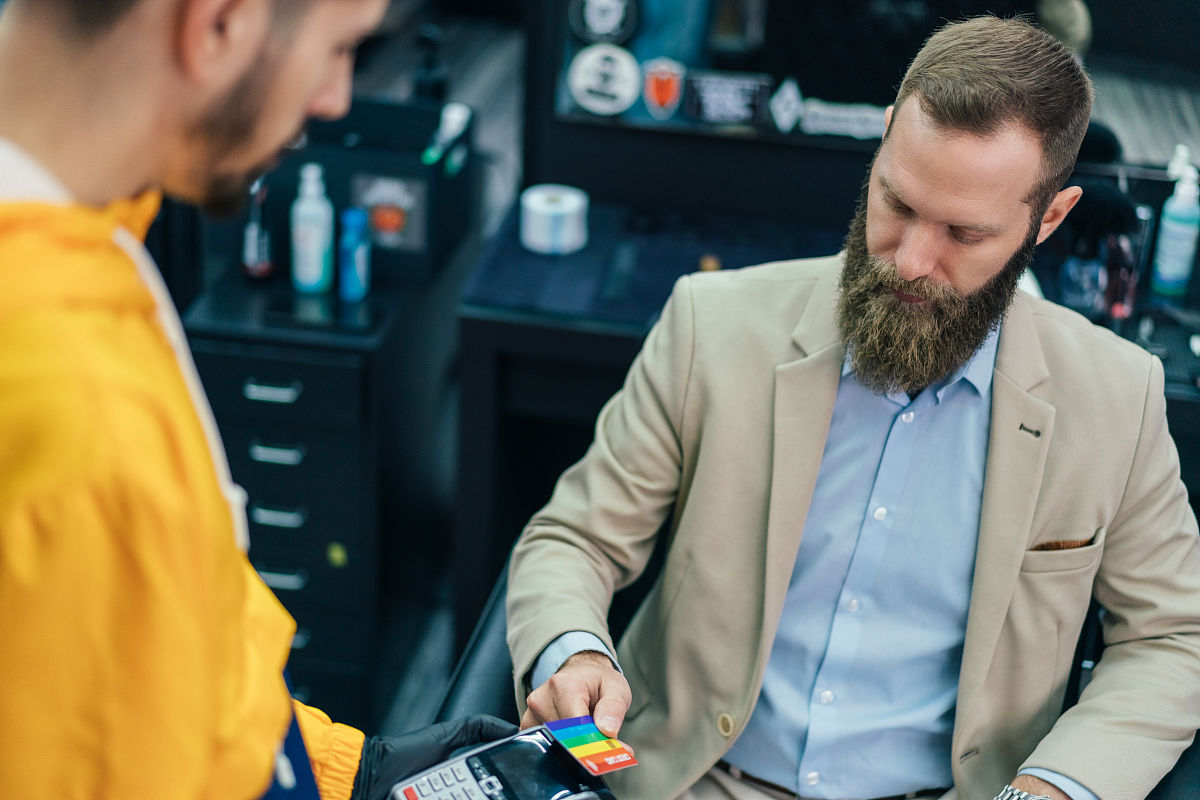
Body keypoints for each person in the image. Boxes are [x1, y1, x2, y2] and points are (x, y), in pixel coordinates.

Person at [506, 15, 1200, 800]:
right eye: (896, 202)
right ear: (881, 146)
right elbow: (576, 536)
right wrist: (574, 652)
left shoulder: (1115, 397)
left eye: (963, 234)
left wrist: (1057, 786)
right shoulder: (713, 325)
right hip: (697, 781)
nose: (909, 260)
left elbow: (1175, 637)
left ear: (1049, 218)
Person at [0, 1, 512, 798]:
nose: (337, 99)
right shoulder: (83, 415)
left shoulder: (85, 236)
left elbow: (170, 671)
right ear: (218, 24)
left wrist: (351, 773)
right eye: (339, 49)